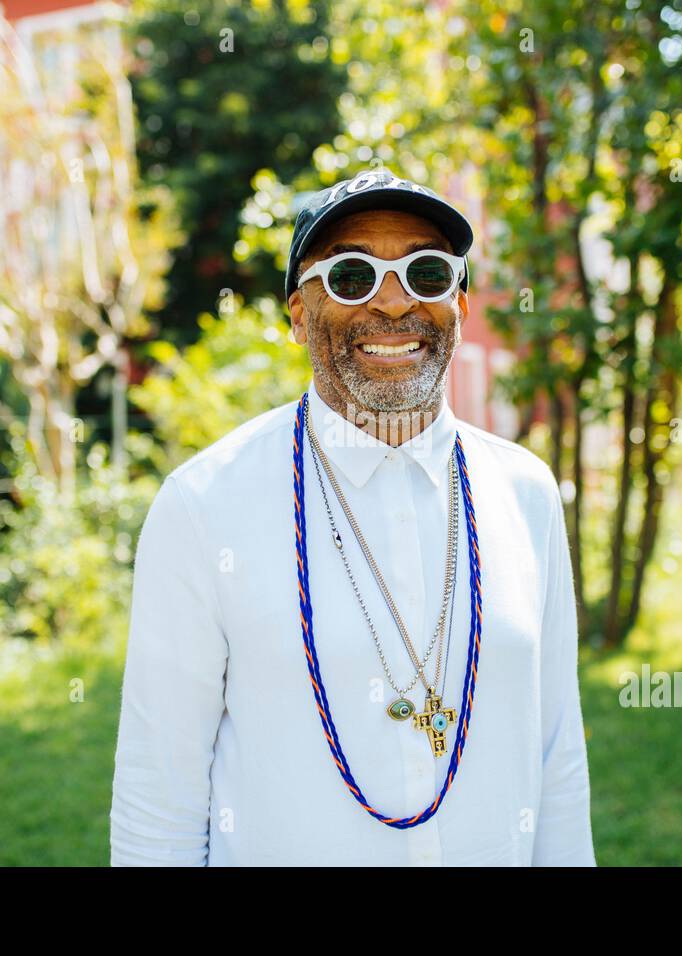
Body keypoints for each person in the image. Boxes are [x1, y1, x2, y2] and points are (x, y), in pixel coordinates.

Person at [110, 167, 595, 866]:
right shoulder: (203, 507)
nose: (394, 303)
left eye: (426, 273)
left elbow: (558, 755)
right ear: (299, 314)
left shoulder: (526, 492)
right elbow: (159, 796)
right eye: (351, 275)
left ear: (457, 300)